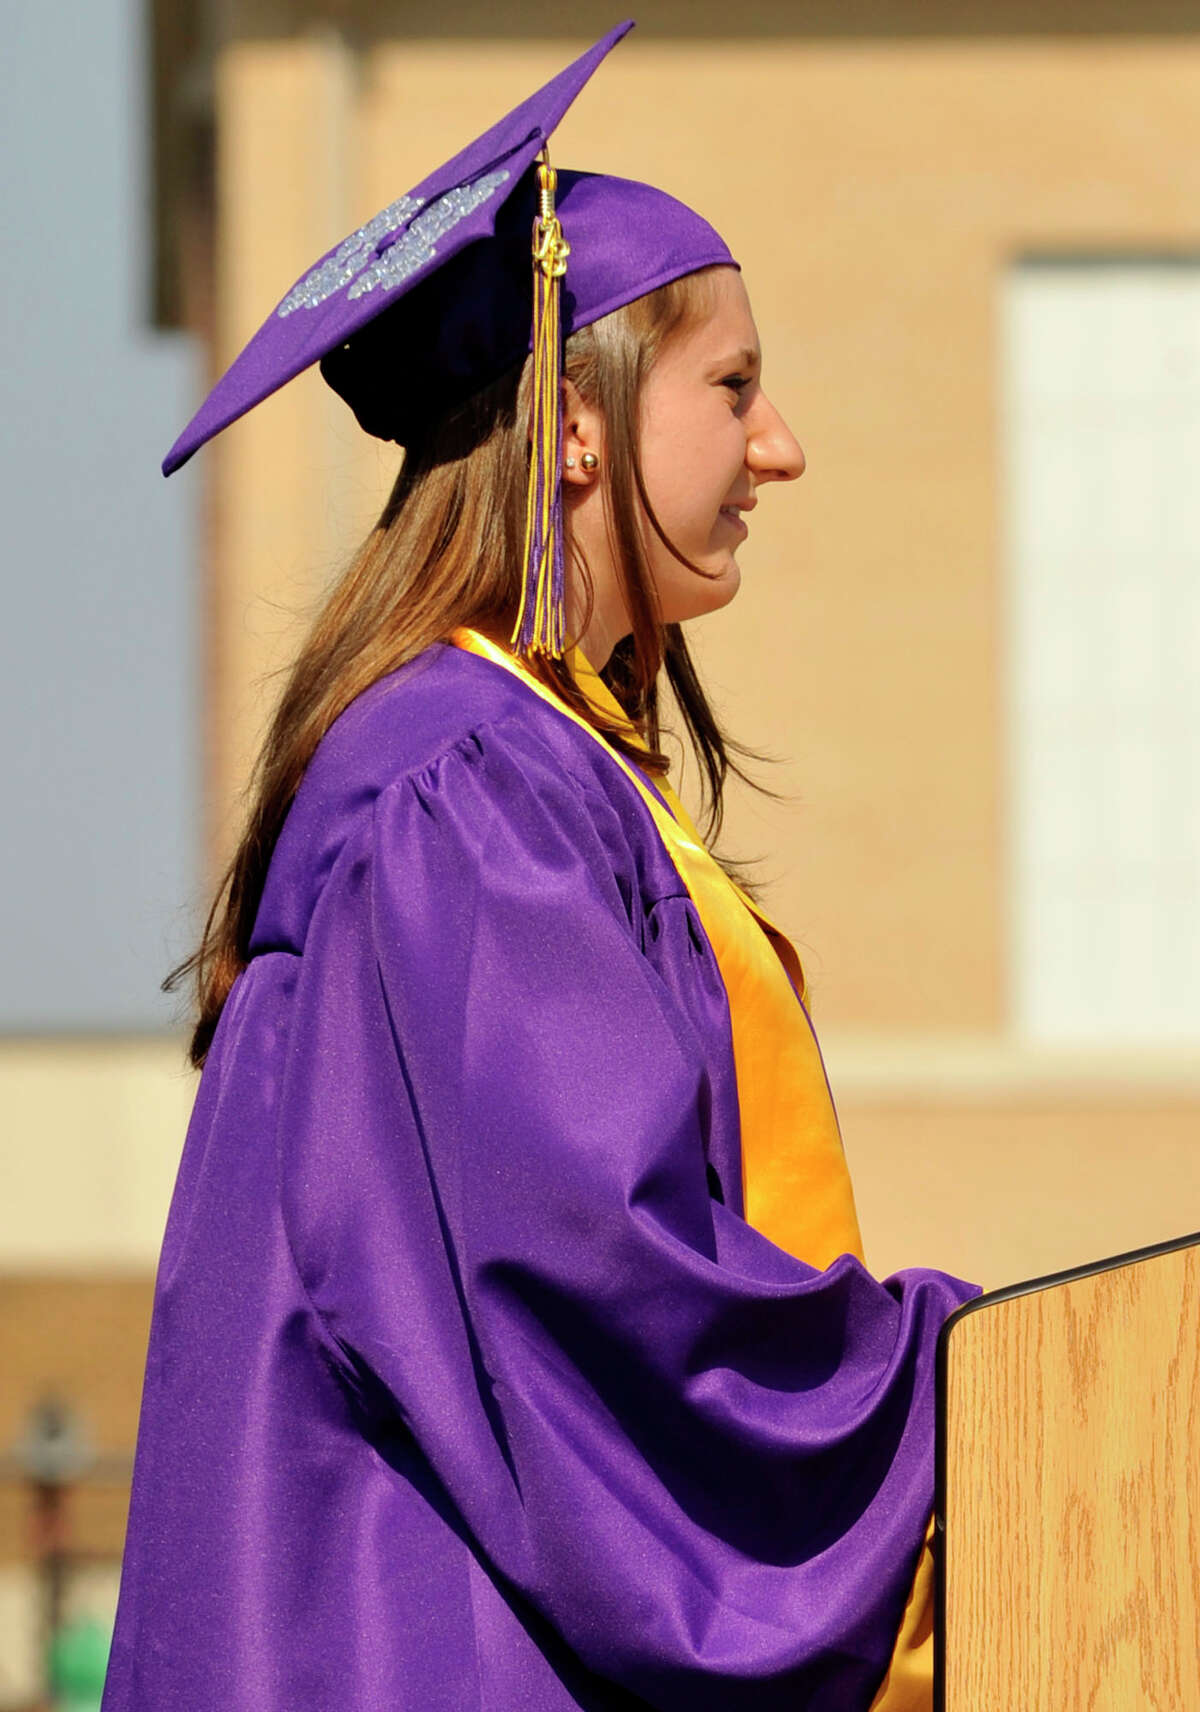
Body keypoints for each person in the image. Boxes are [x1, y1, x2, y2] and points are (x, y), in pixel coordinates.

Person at [102, 22, 978, 1711]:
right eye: (733, 387)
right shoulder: (465, 790)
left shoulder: (508, 767)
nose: (778, 447)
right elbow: (602, 1279)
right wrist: (950, 1382)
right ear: (576, 430)